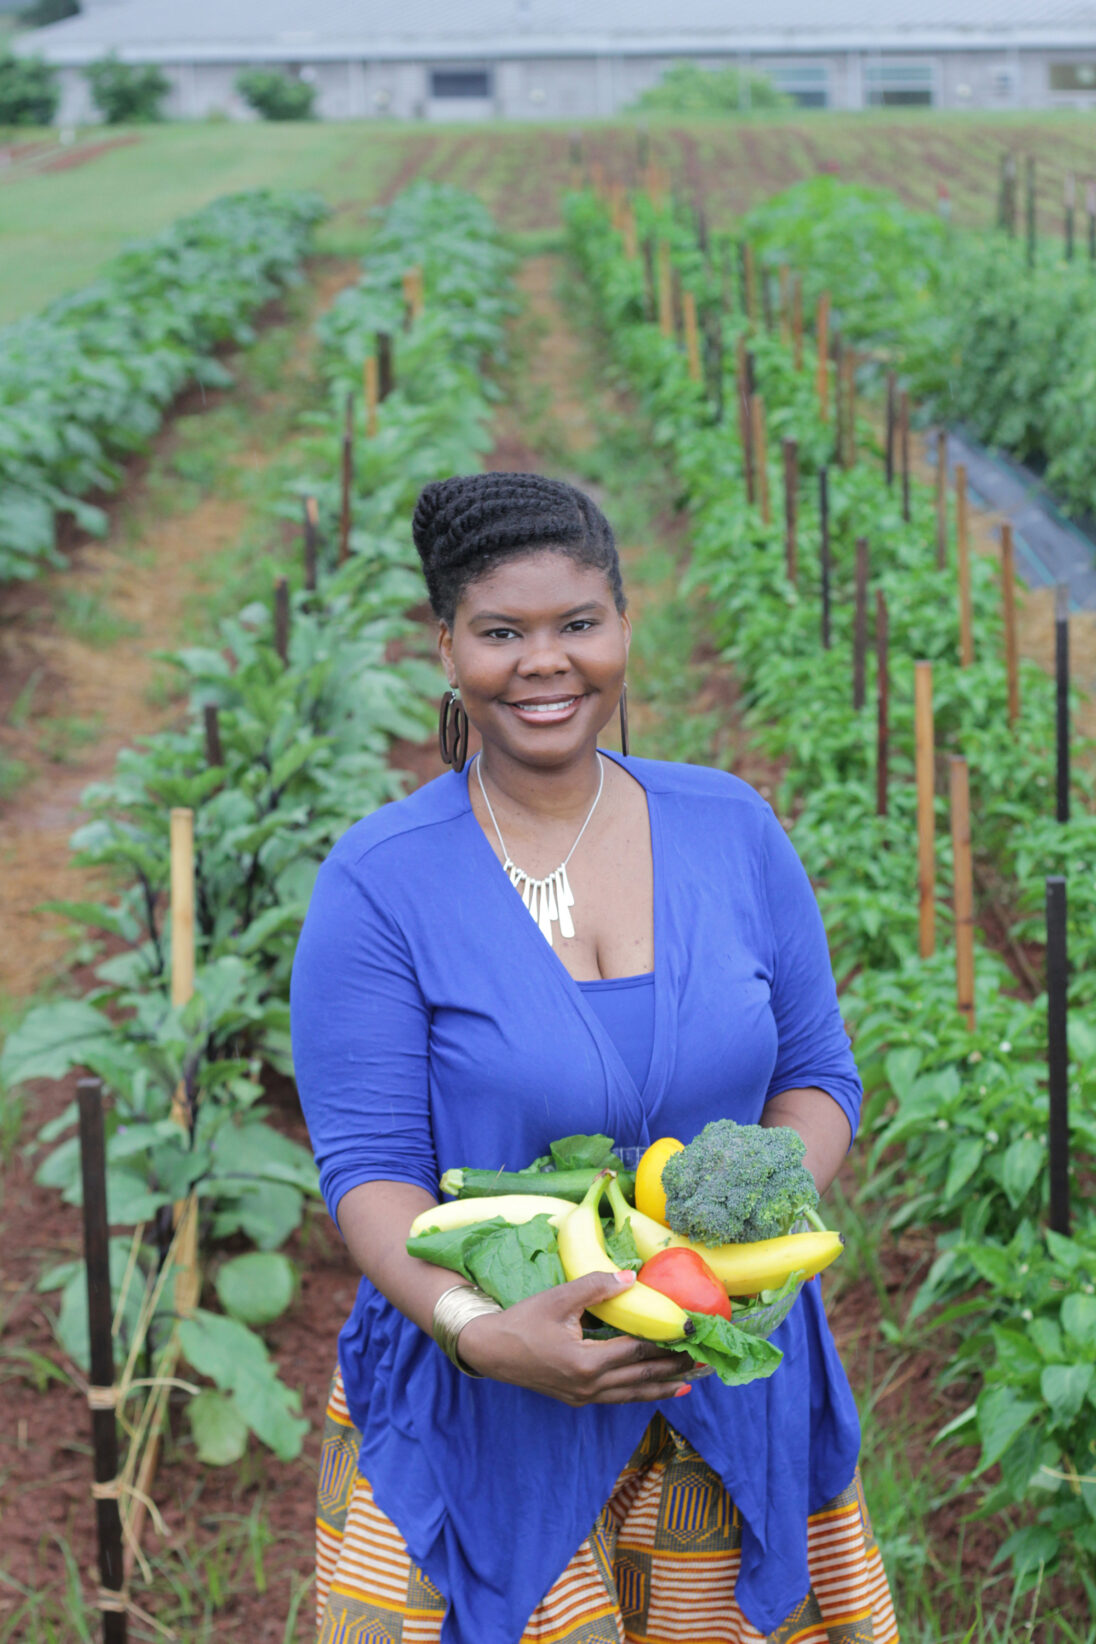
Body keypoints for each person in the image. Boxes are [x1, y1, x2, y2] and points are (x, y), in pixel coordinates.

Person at [290, 472, 899, 1644]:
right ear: (445, 648)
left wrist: (736, 1246)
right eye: (500, 632)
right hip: (488, 1408)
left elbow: (820, 1071)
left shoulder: (731, 826)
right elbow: (369, 1176)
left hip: (726, 1379)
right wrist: (481, 1328)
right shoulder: (381, 883)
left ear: (624, 625)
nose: (544, 663)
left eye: (577, 624)